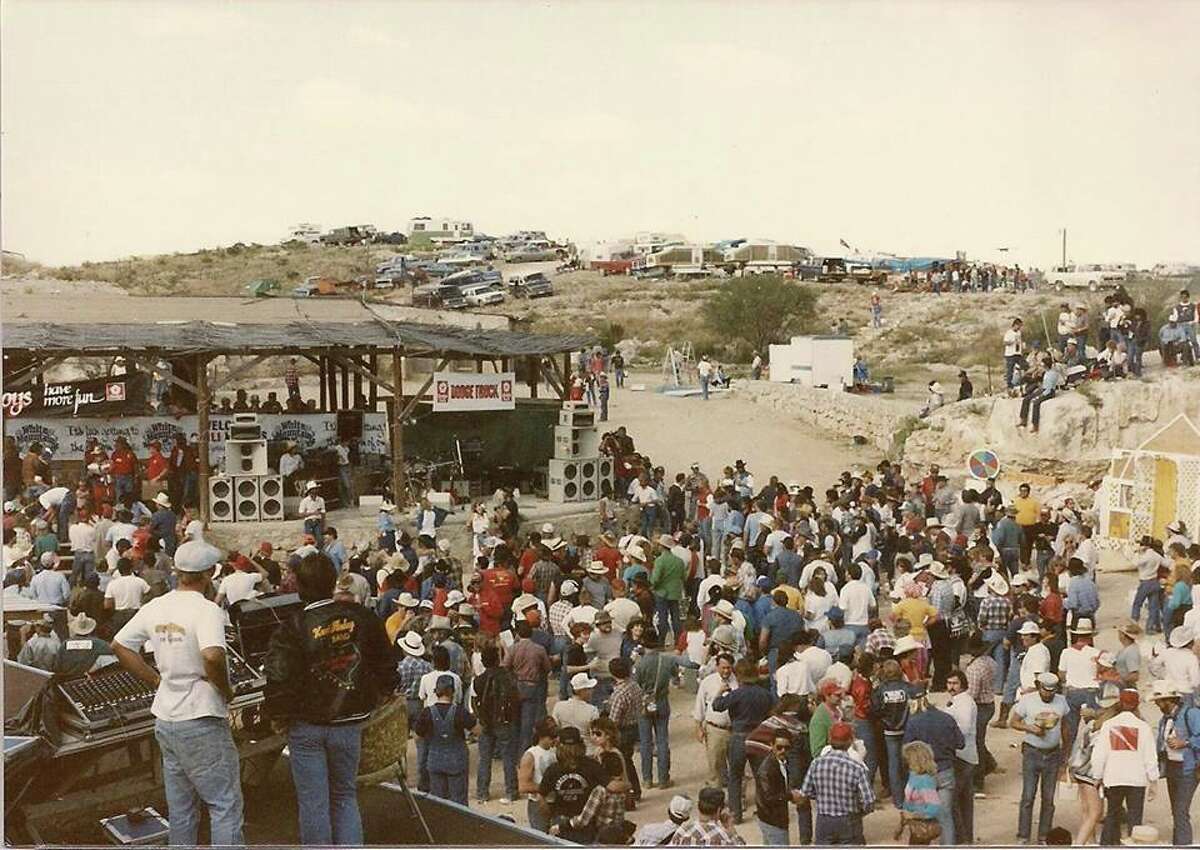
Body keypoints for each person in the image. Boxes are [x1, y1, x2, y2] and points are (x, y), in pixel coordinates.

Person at [111, 537, 244, 847]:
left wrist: (156, 680)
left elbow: (120, 645)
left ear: (178, 572)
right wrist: (226, 690)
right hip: (200, 714)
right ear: (210, 573)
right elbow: (212, 655)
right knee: (224, 805)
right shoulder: (207, 610)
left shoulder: (156, 606)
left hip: (167, 715)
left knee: (182, 810)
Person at [262, 552, 396, 846]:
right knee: (344, 795)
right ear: (333, 582)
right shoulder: (362, 617)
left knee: (314, 804)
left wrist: (277, 717)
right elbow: (386, 663)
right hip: (349, 721)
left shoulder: (294, 626)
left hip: (306, 724)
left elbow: (278, 677)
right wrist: (381, 694)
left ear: (299, 587)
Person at [1091, 689, 1159, 846]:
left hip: (1113, 777)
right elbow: (1150, 757)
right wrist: (1153, 780)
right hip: (1137, 780)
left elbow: (1099, 754)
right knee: (1135, 820)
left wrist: (1097, 776)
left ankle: (1108, 845)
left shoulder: (1109, 725)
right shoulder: (1143, 727)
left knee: (1112, 815)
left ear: (1120, 703)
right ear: (1137, 705)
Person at [1008, 671, 1069, 844]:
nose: (1048, 694)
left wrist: (1066, 754)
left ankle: (1044, 836)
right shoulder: (1027, 701)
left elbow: (1065, 728)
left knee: (1048, 799)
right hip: (1032, 752)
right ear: (1038, 686)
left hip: (1053, 753)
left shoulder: (1062, 702)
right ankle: (1023, 835)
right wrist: (1030, 728)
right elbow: (1013, 722)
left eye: (1051, 690)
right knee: (1028, 796)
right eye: (1045, 690)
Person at [635, 627, 698, 790]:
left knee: (646, 742)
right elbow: (675, 676)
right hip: (661, 700)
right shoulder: (667, 659)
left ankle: (647, 779)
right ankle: (664, 778)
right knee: (662, 740)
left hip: (643, 702)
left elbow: (637, 683)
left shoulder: (640, 663)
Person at [713, 659, 773, 824]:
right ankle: (763, 809)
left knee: (735, 776)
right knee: (760, 775)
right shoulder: (764, 694)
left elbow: (717, 706)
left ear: (738, 675)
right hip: (758, 736)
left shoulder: (736, 694)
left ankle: (736, 814)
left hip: (739, 736)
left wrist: (720, 692)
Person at [902, 685, 963, 845]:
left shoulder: (914, 722)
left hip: (922, 775)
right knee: (945, 816)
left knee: (921, 815)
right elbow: (961, 743)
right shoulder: (946, 717)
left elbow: (907, 751)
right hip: (945, 771)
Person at [799, 721, 875, 845]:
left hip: (824, 819)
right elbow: (869, 801)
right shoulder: (856, 767)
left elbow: (805, 792)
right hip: (849, 819)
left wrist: (821, 796)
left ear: (830, 739)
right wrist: (859, 812)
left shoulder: (816, 763)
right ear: (850, 741)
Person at [413, 674, 476, 804]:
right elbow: (477, 730)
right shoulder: (460, 712)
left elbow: (417, 736)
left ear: (436, 692)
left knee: (439, 802)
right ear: (452, 692)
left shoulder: (427, 712)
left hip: (435, 760)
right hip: (457, 760)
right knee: (459, 802)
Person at [1150, 679, 1200, 845]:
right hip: (1172, 768)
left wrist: (1184, 743)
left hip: (1189, 769)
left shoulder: (1191, 713)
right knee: (1177, 811)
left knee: (1180, 811)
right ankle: (1178, 843)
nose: (1157, 704)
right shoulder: (1165, 719)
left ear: (1168, 700)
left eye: (1158, 701)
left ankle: (1183, 844)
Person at [473, 644, 521, 804]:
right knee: (508, 757)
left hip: (486, 721)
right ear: (498, 659)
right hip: (504, 721)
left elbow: (474, 701)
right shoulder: (508, 677)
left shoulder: (479, 680)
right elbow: (515, 698)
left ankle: (482, 792)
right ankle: (511, 791)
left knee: (485, 758)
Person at [539, 726, 605, 844]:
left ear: (560, 746)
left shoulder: (553, 769)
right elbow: (606, 790)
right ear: (581, 745)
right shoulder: (592, 766)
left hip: (561, 821)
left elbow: (541, 798)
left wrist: (550, 817)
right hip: (586, 821)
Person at [943, 670, 978, 843]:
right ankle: (966, 839)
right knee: (964, 801)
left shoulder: (964, 702)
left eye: (955, 683)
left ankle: (959, 838)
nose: (951, 687)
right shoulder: (958, 701)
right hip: (965, 756)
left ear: (962, 684)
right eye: (949, 683)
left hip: (962, 757)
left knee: (953, 801)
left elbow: (962, 729)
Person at [694, 652, 736, 787]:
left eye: (728, 668)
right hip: (715, 729)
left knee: (736, 765)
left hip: (734, 729)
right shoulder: (708, 682)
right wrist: (698, 727)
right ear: (717, 667)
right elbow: (700, 705)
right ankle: (716, 797)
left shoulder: (738, 682)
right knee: (715, 765)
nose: (726, 671)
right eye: (723, 668)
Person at [754, 729, 801, 845]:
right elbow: (768, 798)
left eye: (787, 748)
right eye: (779, 747)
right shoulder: (766, 769)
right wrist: (790, 796)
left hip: (773, 818)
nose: (783, 751)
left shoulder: (783, 762)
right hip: (772, 820)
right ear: (771, 745)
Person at [897, 741, 942, 846]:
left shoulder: (925, 781)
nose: (905, 762)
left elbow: (934, 808)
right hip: (915, 826)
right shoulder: (914, 775)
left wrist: (913, 815)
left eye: (908, 759)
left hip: (923, 828)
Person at [668, 787, 745, 847]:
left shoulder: (682, 831)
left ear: (699, 807)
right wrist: (732, 831)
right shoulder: (723, 838)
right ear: (719, 811)